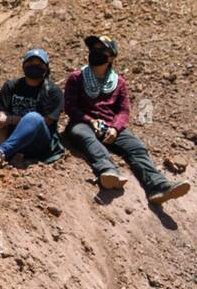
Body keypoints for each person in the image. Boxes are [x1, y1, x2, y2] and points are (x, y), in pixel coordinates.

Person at [64, 35, 189, 205]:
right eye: (94, 48)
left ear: (112, 56)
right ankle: (108, 170)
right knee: (82, 135)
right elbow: (70, 107)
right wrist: (90, 120)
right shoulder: (76, 78)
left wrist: (115, 128)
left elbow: (123, 111)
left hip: (110, 125)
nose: (96, 52)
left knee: (136, 147)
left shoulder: (119, 82)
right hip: (84, 123)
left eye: (102, 49)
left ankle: (158, 187)